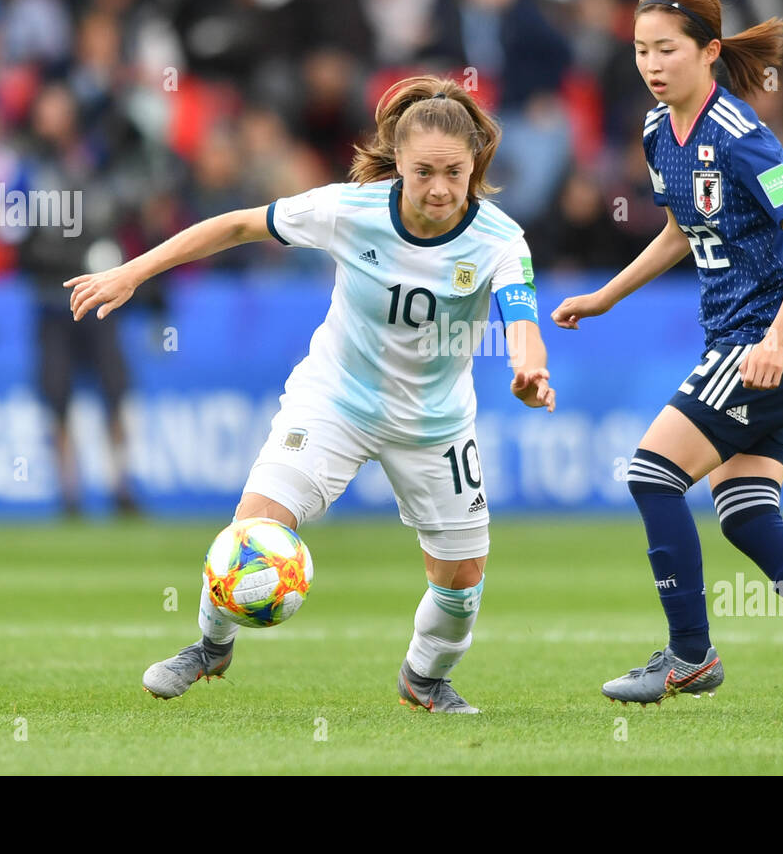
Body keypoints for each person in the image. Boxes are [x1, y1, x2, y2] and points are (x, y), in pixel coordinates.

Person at [65, 76, 555, 713]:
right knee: (255, 527)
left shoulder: (499, 239)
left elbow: (522, 320)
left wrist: (528, 367)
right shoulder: (349, 210)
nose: (439, 188)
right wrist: (132, 270)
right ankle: (210, 646)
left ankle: (424, 678)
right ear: (398, 164)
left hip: (434, 423)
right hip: (336, 400)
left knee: (461, 579)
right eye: (424, 171)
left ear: (474, 165)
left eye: (454, 172)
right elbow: (239, 225)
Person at [552, 0, 783, 714]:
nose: (651, 65)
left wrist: (776, 339)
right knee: (748, 515)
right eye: (639, 51)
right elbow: (681, 232)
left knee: (652, 473)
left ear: (709, 51)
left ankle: (690, 654)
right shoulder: (660, 132)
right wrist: (605, 295)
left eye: (666, 50)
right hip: (741, 342)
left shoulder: (741, 135)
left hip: (763, 344)